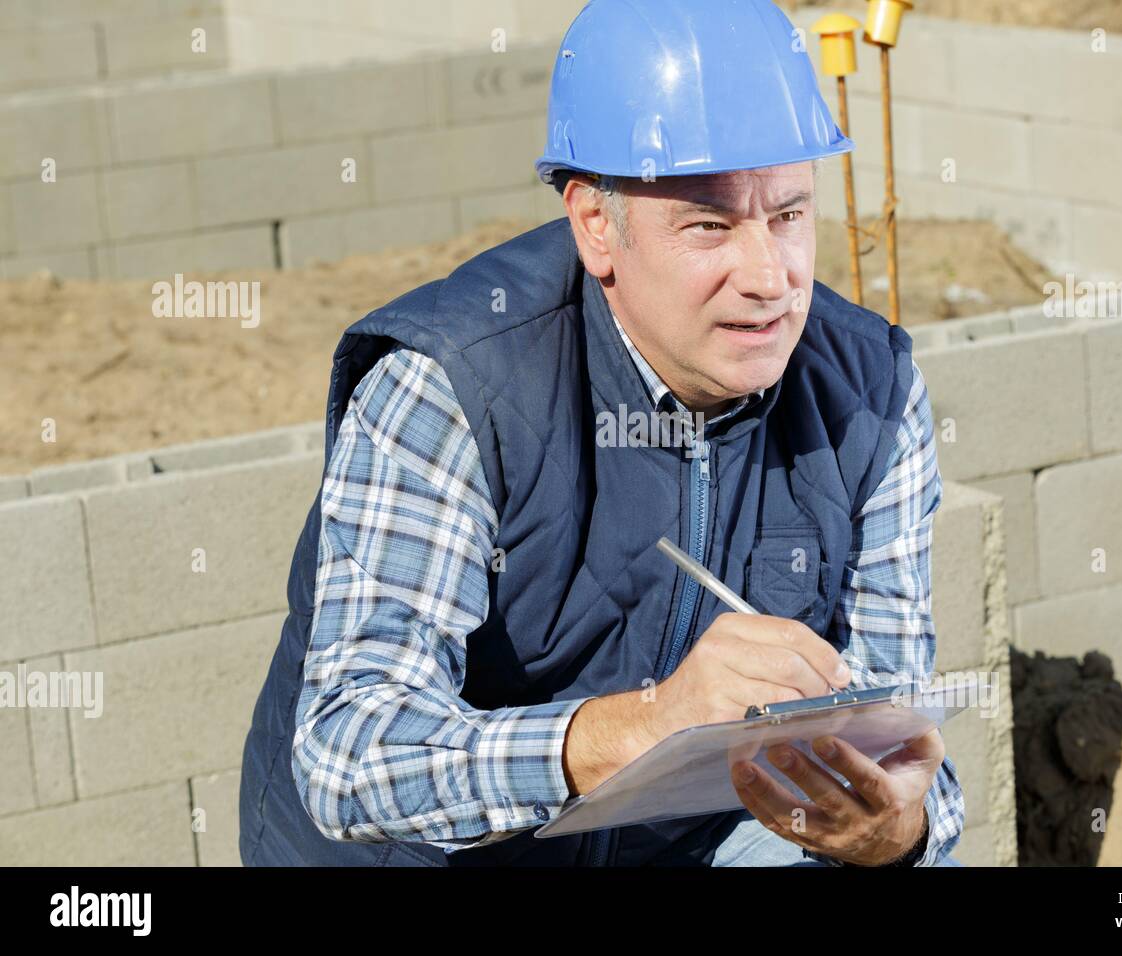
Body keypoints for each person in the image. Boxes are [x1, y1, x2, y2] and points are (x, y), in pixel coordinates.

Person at [238, 0, 964, 867]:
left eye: (789, 214)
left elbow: (900, 740)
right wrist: (646, 728)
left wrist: (894, 831)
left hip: (674, 841)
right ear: (595, 224)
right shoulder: (455, 387)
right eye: (710, 223)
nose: (771, 278)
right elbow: (349, 752)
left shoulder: (869, 396)